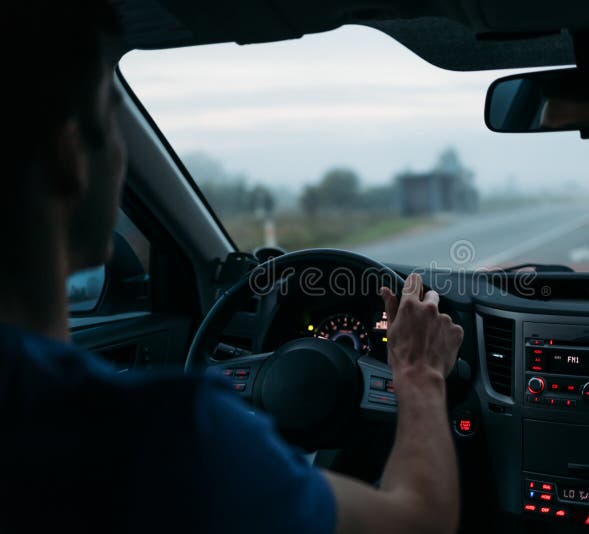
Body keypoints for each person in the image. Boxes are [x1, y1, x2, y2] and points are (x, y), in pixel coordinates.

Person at [0, 2, 464, 533]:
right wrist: (419, 373)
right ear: (70, 158)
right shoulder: (176, 441)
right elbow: (421, 521)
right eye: (113, 122)